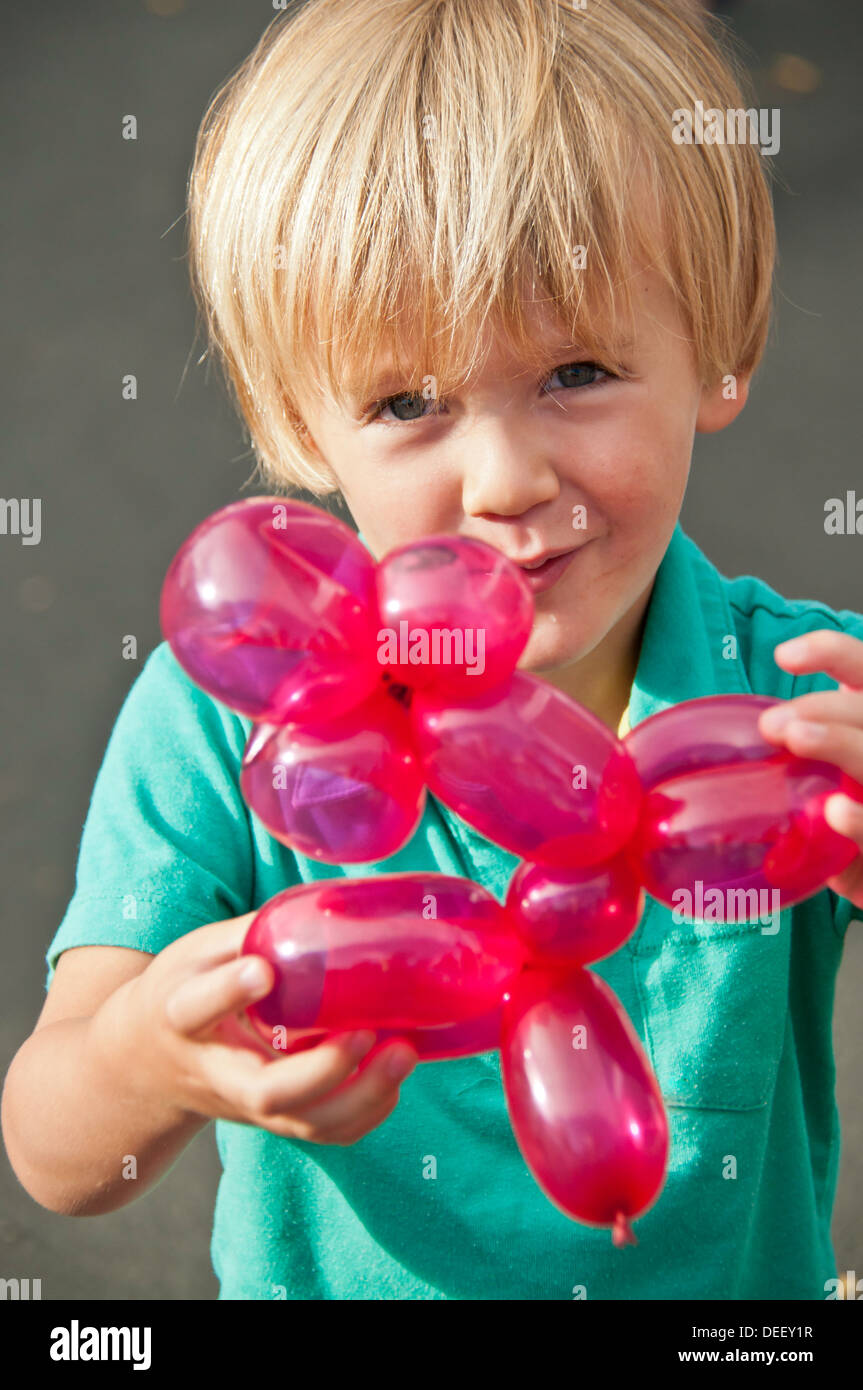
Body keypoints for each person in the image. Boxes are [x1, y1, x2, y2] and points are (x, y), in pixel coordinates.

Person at [4, 0, 863, 1300]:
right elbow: (58, 1156)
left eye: (577, 370)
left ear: (718, 347)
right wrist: (150, 1061)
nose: (507, 477)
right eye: (410, 402)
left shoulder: (803, 708)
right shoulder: (235, 712)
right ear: (301, 419)